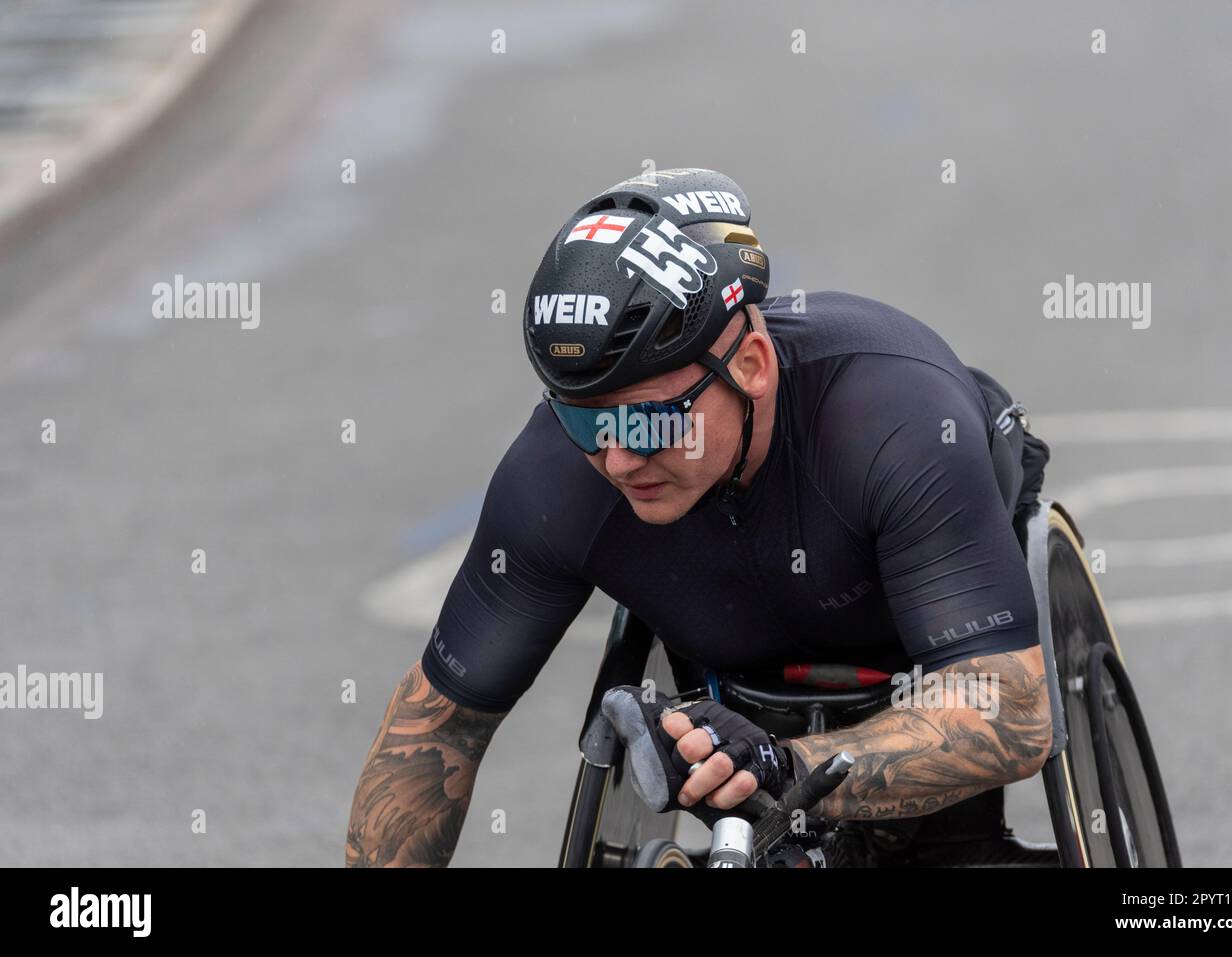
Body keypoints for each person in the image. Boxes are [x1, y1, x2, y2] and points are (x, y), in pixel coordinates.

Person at [346, 168, 1053, 867]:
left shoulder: (893, 417)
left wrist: (780, 766)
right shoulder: (553, 475)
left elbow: (1013, 712)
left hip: (920, 648)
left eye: (649, 424)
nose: (618, 462)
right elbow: (437, 731)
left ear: (749, 365)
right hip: (729, 671)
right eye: (582, 420)